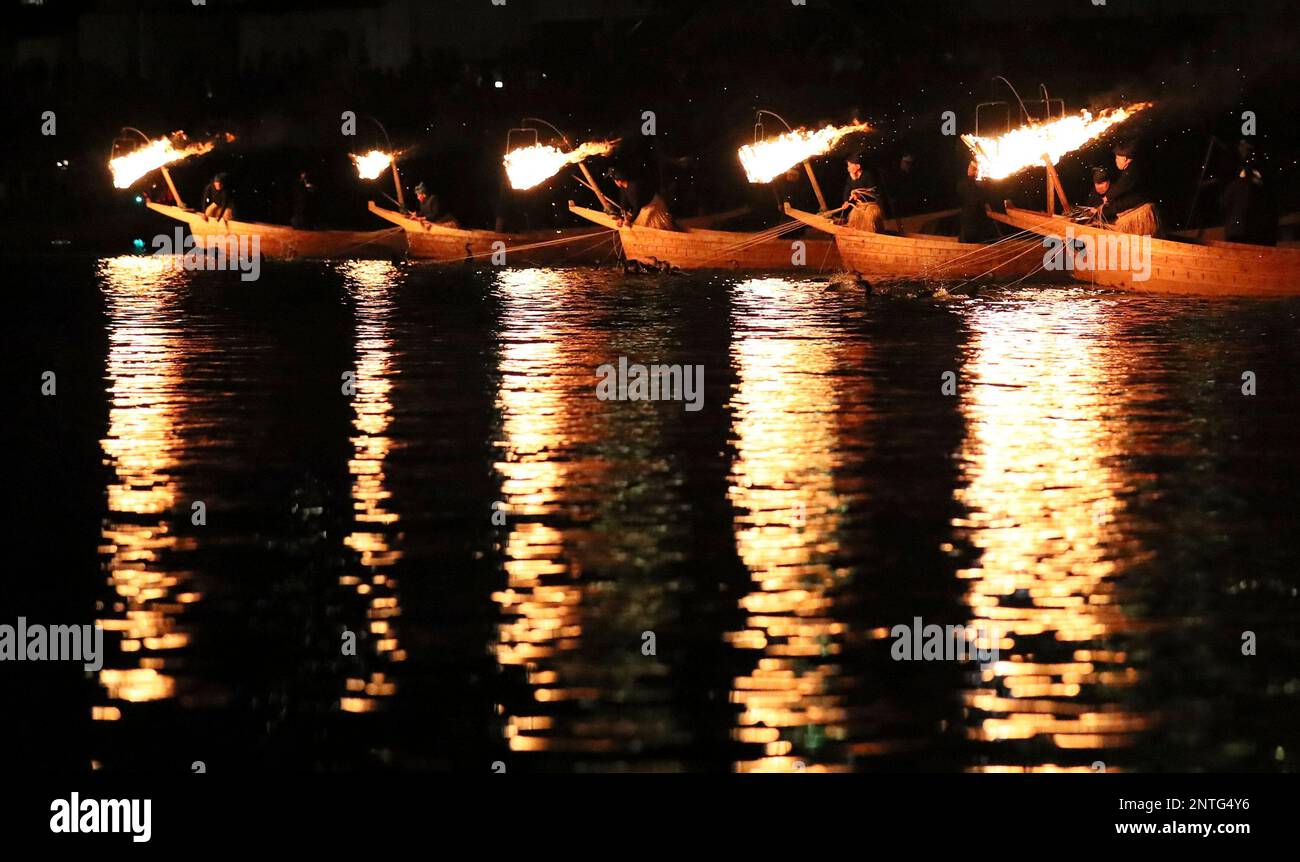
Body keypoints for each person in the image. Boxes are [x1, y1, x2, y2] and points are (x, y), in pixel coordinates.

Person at [1220, 151, 1278, 245]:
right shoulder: (1260, 187)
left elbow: (1224, 204)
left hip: (1237, 230)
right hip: (1254, 231)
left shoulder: (1235, 185)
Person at [1101, 140, 1158, 235]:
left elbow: (1123, 185)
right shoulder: (1130, 168)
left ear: (1126, 159)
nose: (1115, 161)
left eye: (1117, 158)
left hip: (1139, 207)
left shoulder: (1132, 170)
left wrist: (1108, 197)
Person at [610, 167, 675, 230]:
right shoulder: (623, 186)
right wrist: (622, 217)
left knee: (655, 229)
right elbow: (624, 202)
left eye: (614, 181)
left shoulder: (634, 187)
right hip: (643, 208)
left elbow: (637, 207)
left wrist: (630, 220)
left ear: (619, 181)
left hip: (652, 206)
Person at [840, 151, 885, 232]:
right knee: (854, 225)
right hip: (859, 207)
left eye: (850, 165)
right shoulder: (850, 177)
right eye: (848, 166)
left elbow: (872, 192)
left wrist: (859, 196)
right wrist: (846, 201)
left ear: (858, 166)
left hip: (870, 207)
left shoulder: (867, 175)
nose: (848, 168)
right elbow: (847, 190)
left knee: (870, 227)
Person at [957, 160, 997, 243]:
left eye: (972, 168)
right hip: (970, 226)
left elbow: (986, 197)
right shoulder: (965, 184)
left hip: (980, 227)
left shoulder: (982, 185)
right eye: (970, 168)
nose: (969, 169)